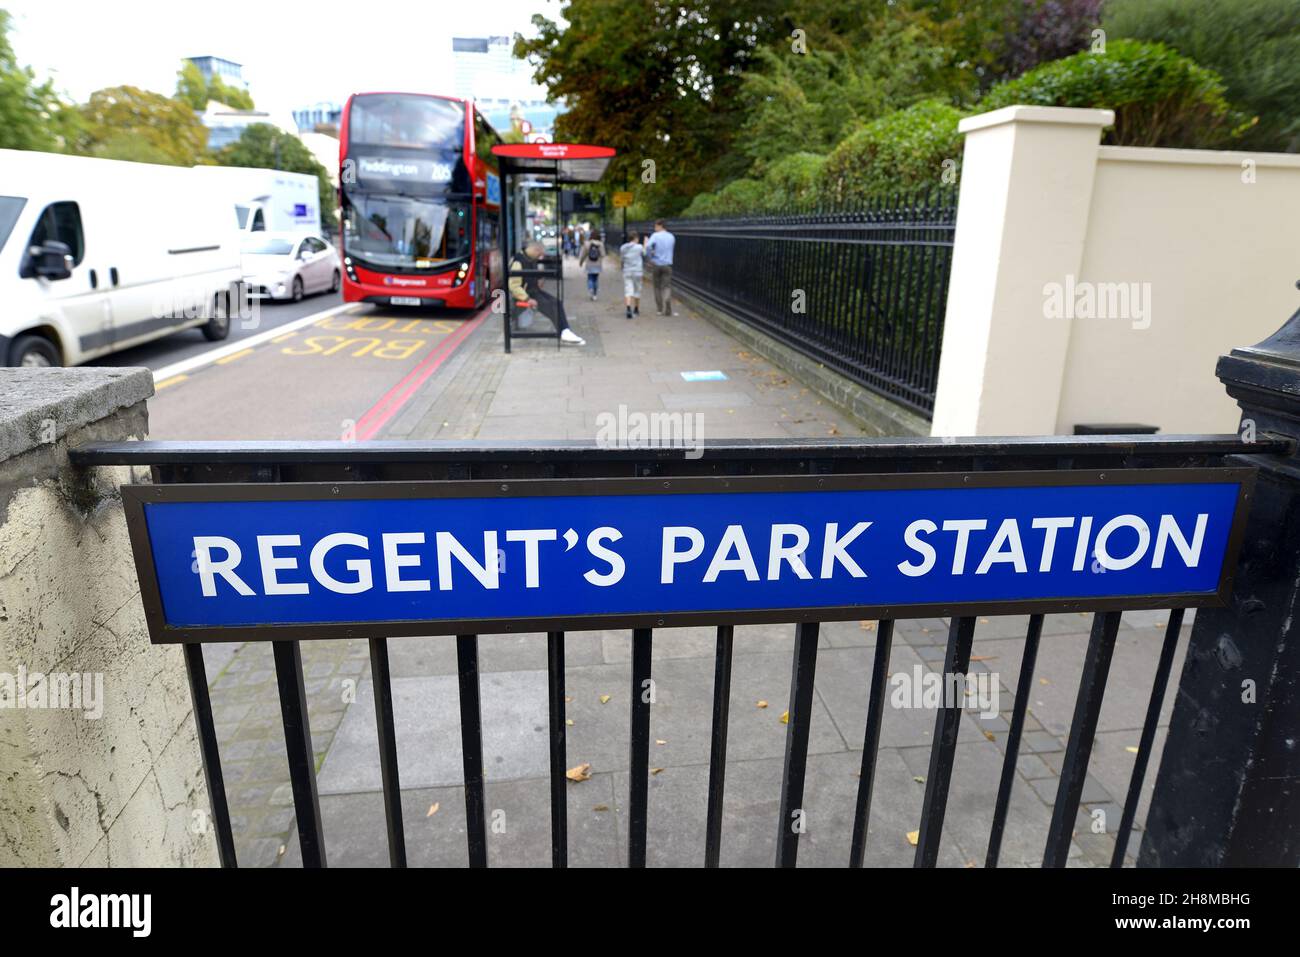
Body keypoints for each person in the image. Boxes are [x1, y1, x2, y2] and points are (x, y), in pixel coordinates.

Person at [508, 240, 585, 345]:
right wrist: (527, 299)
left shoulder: (530, 258)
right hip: (526, 295)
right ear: (535, 250)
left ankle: (565, 330)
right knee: (550, 306)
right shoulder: (518, 261)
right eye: (539, 254)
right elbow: (514, 285)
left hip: (533, 291)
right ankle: (563, 331)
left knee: (556, 302)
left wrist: (539, 279)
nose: (540, 257)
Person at [645, 219, 676, 316]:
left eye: (655, 226)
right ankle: (667, 301)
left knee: (657, 287)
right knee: (666, 286)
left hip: (657, 264)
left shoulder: (655, 235)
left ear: (660, 226)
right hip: (667, 264)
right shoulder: (671, 236)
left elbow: (648, 247)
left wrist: (650, 257)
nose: (654, 228)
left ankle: (659, 309)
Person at [619, 230, 645, 319]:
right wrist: (645, 243)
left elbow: (622, 259)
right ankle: (636, 308)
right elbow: (645, 253)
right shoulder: (639, 247)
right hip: (637, 271)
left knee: (628, 289)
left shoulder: (623, 247)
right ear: (635, 238)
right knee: (637, 289)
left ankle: (628, 308)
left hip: (627, 271)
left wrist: (622, 267)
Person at [581, 233, 604, 300]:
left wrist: (581, 262)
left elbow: (583, 254)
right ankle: (595, 294)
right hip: (597, 264)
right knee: (596, 279)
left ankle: (590, 288)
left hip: (589, 264)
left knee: (590, 278)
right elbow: (603, 254)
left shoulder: (587, 244)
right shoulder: (600, 244)